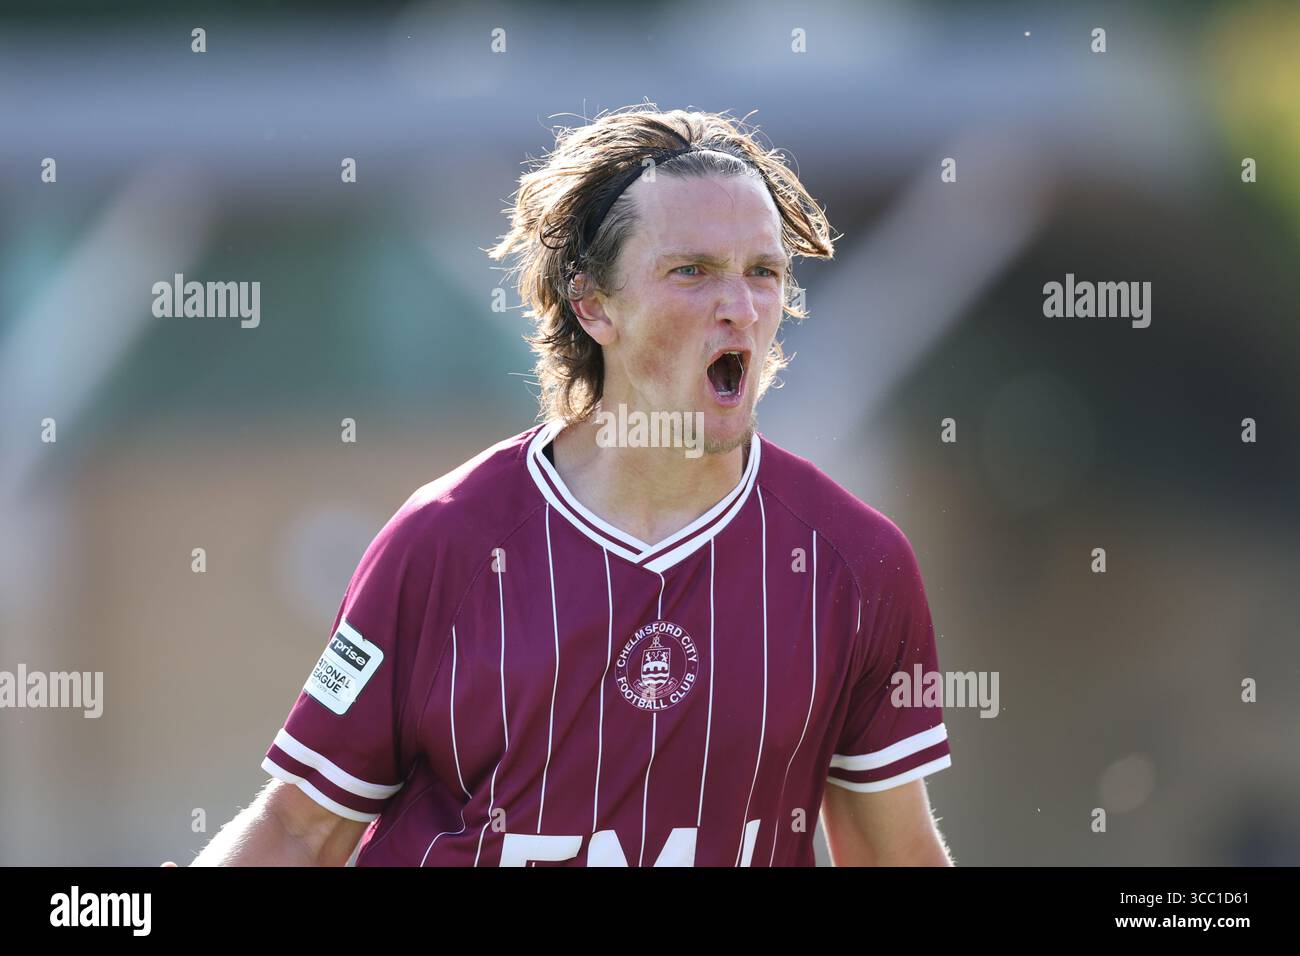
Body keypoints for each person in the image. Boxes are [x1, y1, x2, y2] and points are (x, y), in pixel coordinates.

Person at [187, 106, 953, 866]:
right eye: (691, 271)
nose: (739, 306)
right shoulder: (445, 542)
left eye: (762, 273)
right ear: (592, 304)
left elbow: (896, 855)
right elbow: (299, 830)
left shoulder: (853, 564)